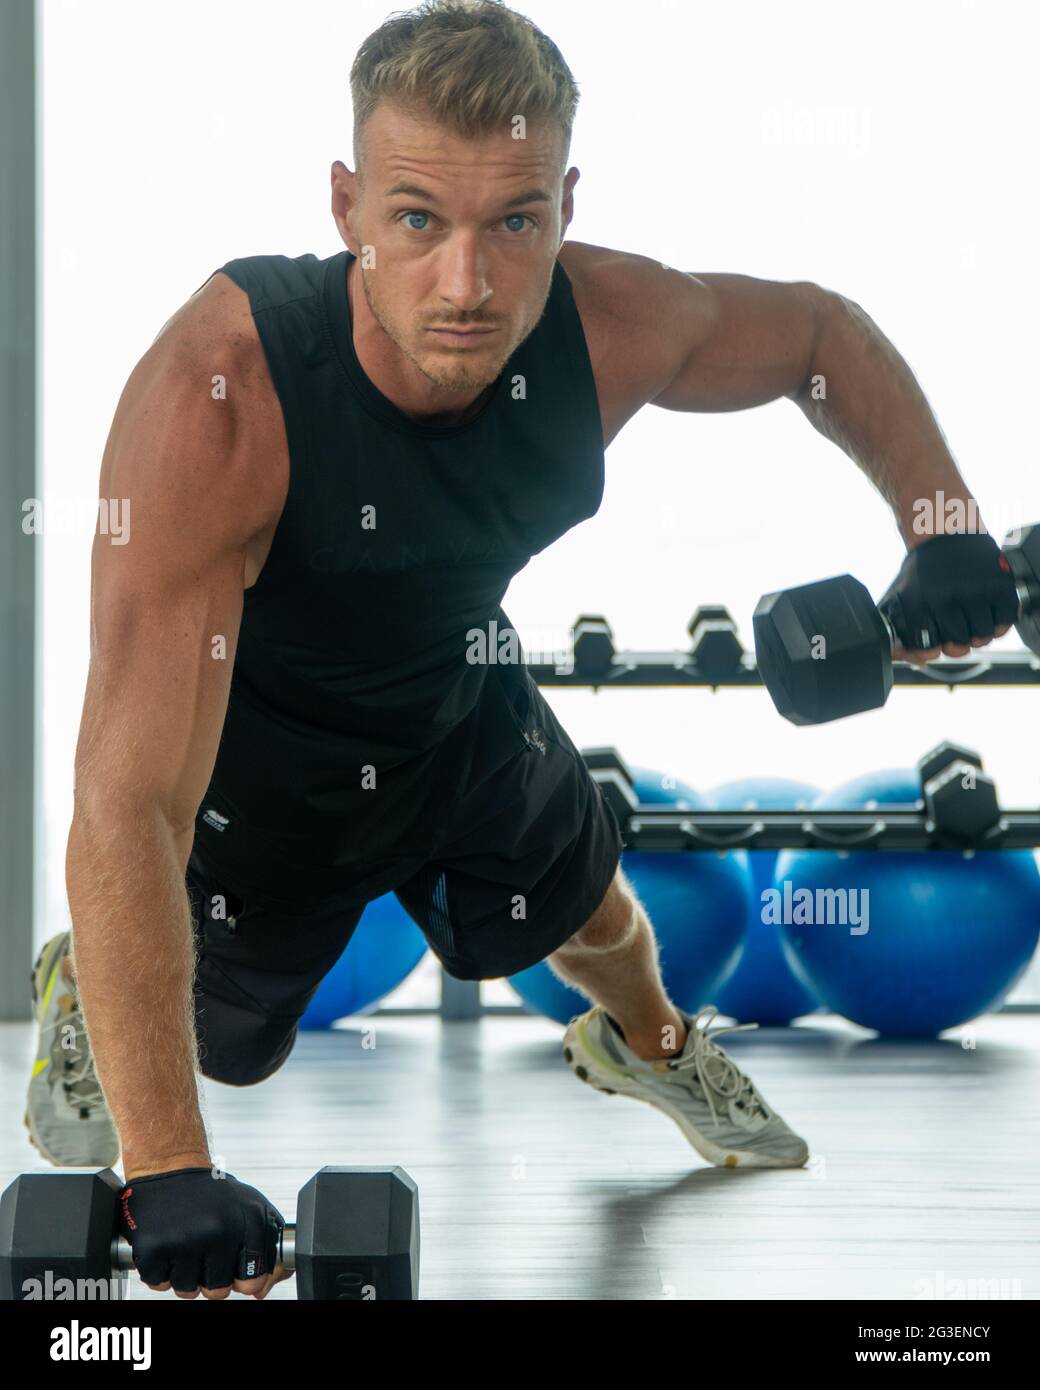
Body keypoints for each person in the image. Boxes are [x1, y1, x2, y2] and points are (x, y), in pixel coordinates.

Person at [28, 0, 1017, 1300]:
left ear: (564, 202)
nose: (468, 283)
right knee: (222, 1033)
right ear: (347, 206)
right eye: (420, 218)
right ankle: (85, 999)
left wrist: (943, 525)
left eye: (516, 222)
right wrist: (166, 1172)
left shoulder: (608, 327)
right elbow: (125, 801)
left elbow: (820, 340)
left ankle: (657, 1046)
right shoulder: (225, 399)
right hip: (260, 769)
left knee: (603, 914)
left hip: (456, 699)